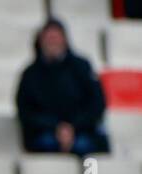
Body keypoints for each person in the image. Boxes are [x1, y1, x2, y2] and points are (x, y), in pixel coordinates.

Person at [16, 18, 110, 156]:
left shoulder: (82, 67)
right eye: (49, 38)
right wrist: (56, 128)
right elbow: (26, 111)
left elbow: (97, 104)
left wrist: (73, 127)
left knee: (89, 150)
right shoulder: (30, 74)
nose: (52, 42)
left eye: (56, 38)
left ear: (64, 40)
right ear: (40, 41)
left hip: (82, 132)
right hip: (44, 136)